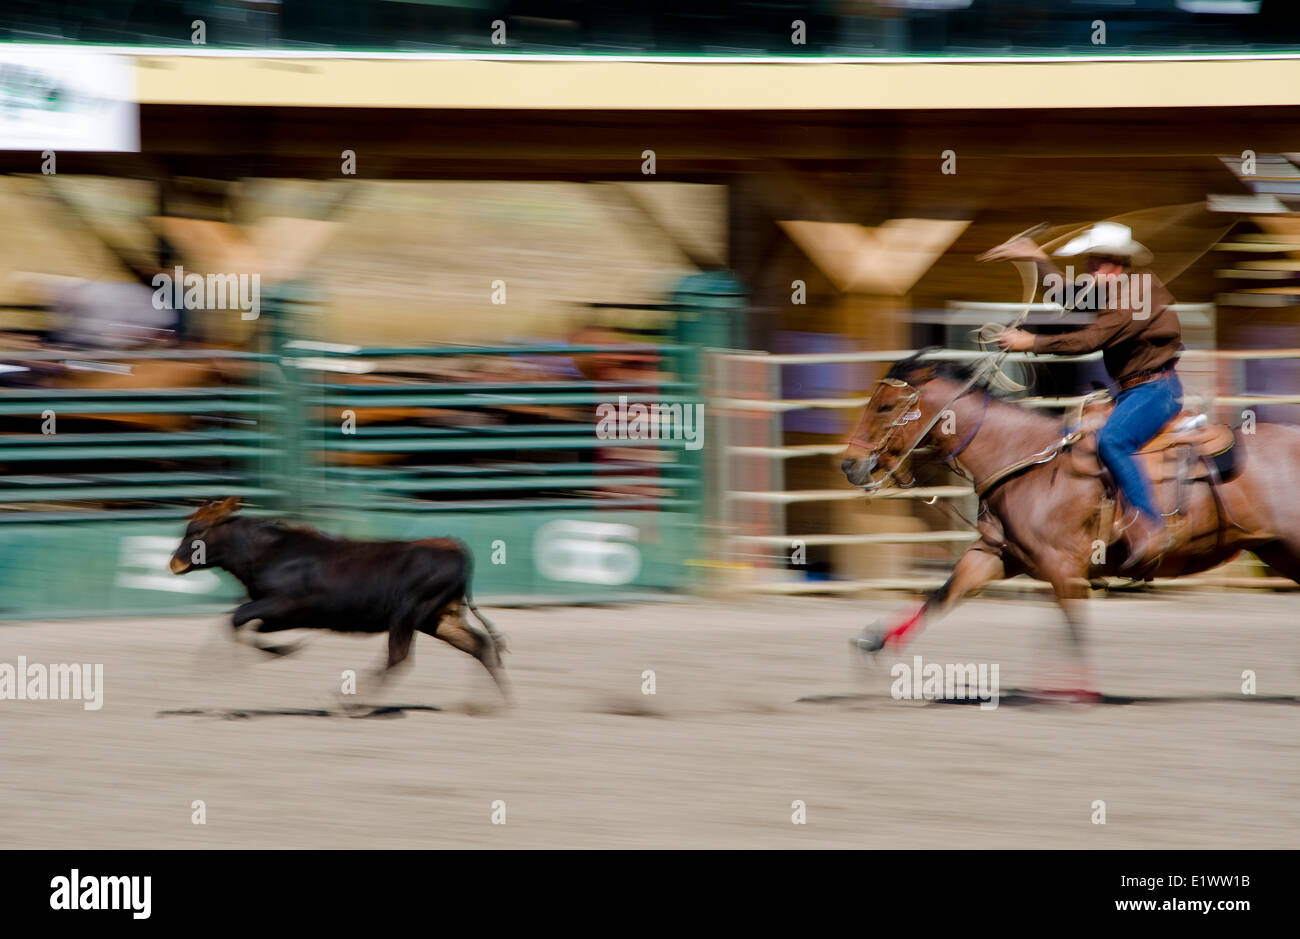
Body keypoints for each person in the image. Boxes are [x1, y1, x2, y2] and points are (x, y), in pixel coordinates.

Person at [983, 222, 1184, 573]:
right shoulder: (1115, 290)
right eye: (1092, 260)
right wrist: (1036, 257)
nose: (1094, 267)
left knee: (1113, 441)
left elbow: (1089, 341)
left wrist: (1031, 343)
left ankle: (1151, 526)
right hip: (1133, 390)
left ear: (1119, 263)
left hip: (1155, 390)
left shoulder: (1140, 292)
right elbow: (1064, 295)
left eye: (1102, 260)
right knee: (1075, 438)